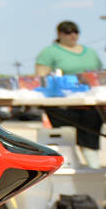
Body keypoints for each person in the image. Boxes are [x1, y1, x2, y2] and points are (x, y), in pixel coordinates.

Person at [35, 20, 103, 167]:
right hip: (62, 104)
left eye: (75, 31)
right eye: (68, 32)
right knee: (67, 141)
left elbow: (99, 75)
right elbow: (40, 77)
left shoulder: (90, 52)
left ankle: (94, 169)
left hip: (90, 103)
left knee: (90, 140)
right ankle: (73, 169)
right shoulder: (50, 52)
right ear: (60, 34)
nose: (72, 35)